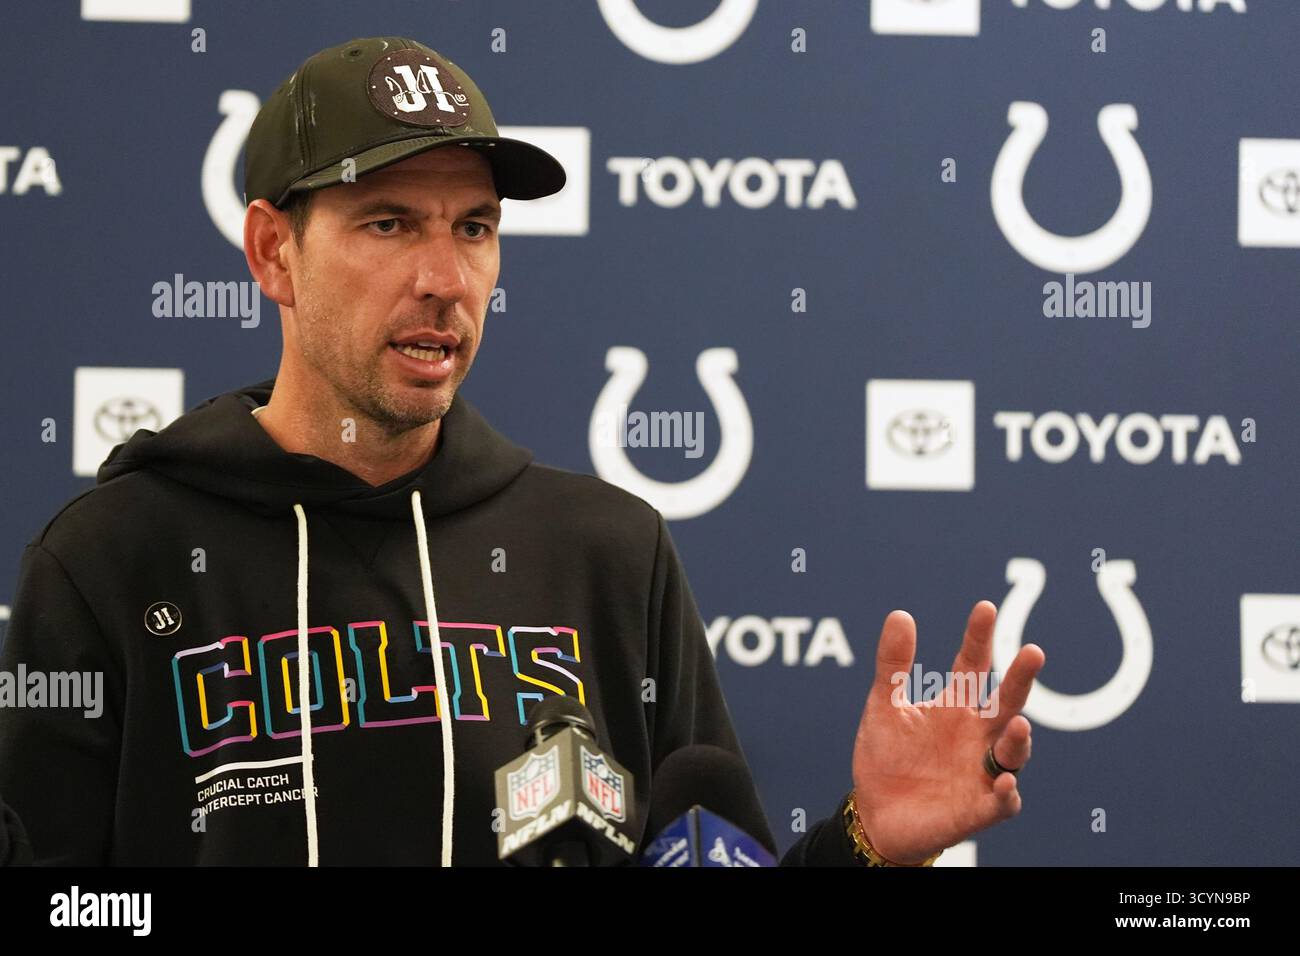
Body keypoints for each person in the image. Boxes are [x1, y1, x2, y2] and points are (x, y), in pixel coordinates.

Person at [0, 36, 1044, 866]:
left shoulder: (609, 550)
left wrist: (864, 844)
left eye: (475, 226)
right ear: (274, 251)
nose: (445, 277)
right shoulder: (113, 557)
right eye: (389, 224)